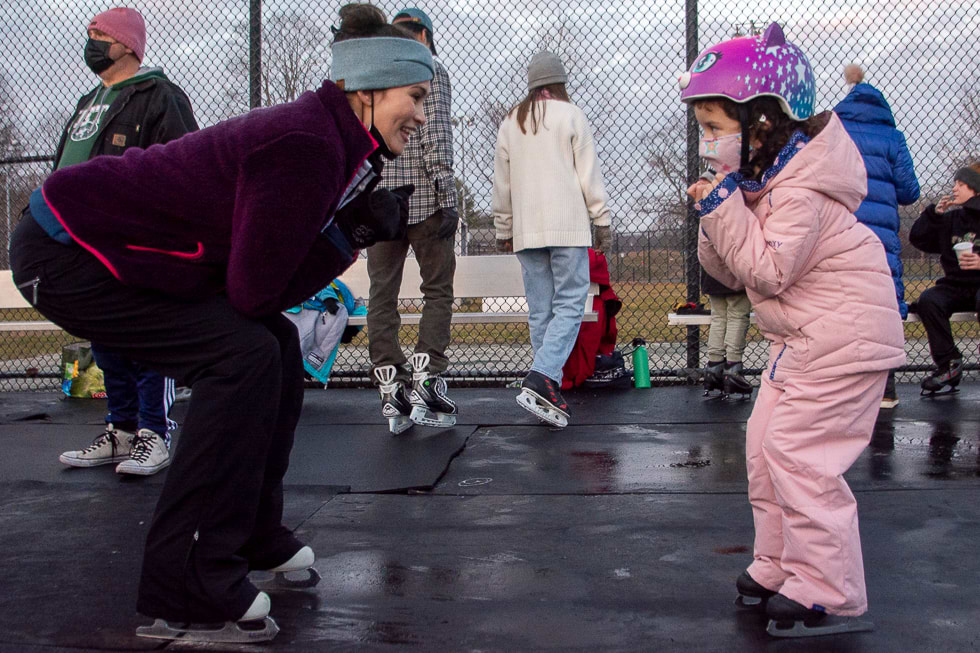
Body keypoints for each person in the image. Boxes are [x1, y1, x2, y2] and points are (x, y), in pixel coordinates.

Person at [9, 3, 432, 643]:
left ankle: (255, 533)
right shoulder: (309, 144)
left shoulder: (327, 137)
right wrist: (352, 231)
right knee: (240, 357)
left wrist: (348, 228)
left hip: (89, 245)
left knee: (272, 346)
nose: (423, 115)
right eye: (416, 95)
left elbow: (261, 287)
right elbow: (256, 288)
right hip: (66, 251)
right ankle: (186, 584)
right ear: (368, 89)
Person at [679, 23, 905, 637]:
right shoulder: (759, 184)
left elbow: (769, 272)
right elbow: (725, 269)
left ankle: (829, 591)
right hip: (804, 341)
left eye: (714, 128)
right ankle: (783, 564)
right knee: (763, 449)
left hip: (841, 341)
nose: (707, 142)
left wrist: (723, 207)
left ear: (760, 124)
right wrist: (715, 211)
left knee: (801, 459)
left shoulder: (799, 188)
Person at [53, 7, 196, 476]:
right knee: (106, 332)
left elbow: (180, 164)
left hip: (134, 239)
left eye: (99, 34)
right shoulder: (87, 101)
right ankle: (123, 429)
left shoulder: (159, 95)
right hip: (86, 240)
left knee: (147, 333)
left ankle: (155, 432)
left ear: (128, 44)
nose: (90, 40)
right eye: (90, 31)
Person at [492, 51, 612, 428]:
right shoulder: (571, 115)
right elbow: (587, 174)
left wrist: (502, 227)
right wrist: (601, 218)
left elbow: (502, 183)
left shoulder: (512, 121)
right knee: (571, 305)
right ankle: (543, 375)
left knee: (541, 309)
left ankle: (546, 385)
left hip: (527, 231)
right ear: (559, 82)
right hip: (567, 228)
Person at [367, 6, 458, 434]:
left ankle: (390, 384)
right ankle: (427, 376)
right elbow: (435, 135)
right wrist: (448, 194)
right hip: (423, 198)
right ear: (426, 34)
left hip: (380, 199)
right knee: (437, 289)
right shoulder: (430, 69)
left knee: (381, 292)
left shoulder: (379, 73)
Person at [834, 63, 921, 408]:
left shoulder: (834, 130)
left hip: (843, 229)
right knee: (883, 301)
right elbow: (909, 191)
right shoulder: (892, 137)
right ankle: (885, 386)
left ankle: (844, 383)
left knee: (841, 299)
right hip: (882, 234)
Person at [908, 162, 980, 395]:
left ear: (976, 189)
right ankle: (948, 364)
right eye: (955, 184)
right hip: (957, 285)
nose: (955, 189)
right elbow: (919, 240)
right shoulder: (952, 219)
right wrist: (934, 214)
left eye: (961, 184)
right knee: (930, 300)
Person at [700, 272, 752, 399]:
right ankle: (732, 369)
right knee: (737, 316)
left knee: (718, 317)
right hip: (735, 273)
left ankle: (714, 367)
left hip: (712, 272)